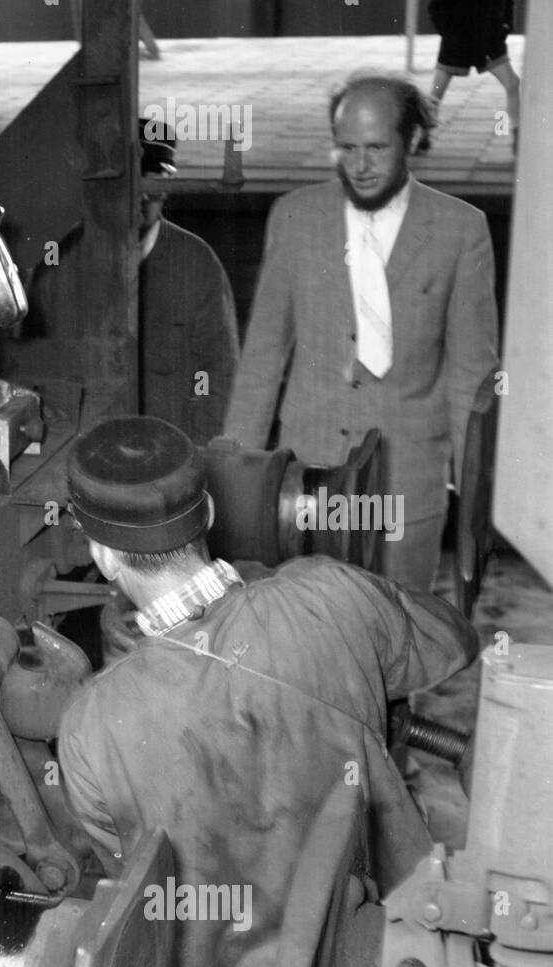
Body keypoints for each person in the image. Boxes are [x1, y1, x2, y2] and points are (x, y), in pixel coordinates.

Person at [56, 415, 484, 967]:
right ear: (207, 508)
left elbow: (136, 890)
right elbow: (453, 644)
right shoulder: (330, 595)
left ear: (101, 555)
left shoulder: (94, 725)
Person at [223, 72, 498, 593]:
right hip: (302, 487)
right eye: (346, 148)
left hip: (408, 492)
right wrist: (236, 484)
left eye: (376, 147)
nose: (360, 165)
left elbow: (472, 385)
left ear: (412, 140)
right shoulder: (294, 217)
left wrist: (474, 519)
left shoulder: (462, 231)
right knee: (311, 645)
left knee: (398, 646)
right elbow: (261, 361)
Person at [136, 123, 241, 445]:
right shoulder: (66, 261)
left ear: (169, 184)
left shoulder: (196, 264)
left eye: (151, 180)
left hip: (170, 454)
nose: (140, 195)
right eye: (128, 183)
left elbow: (216, 372)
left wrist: (200, 451)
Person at [420, 0, 520, 155]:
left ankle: (518, 133)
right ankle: (423, 136)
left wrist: (505, 26)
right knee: (437, 92)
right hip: (457, 40)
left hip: (489, 41)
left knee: (512, 83)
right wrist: (447, 31)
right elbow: (436, 6)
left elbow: (507, 4)